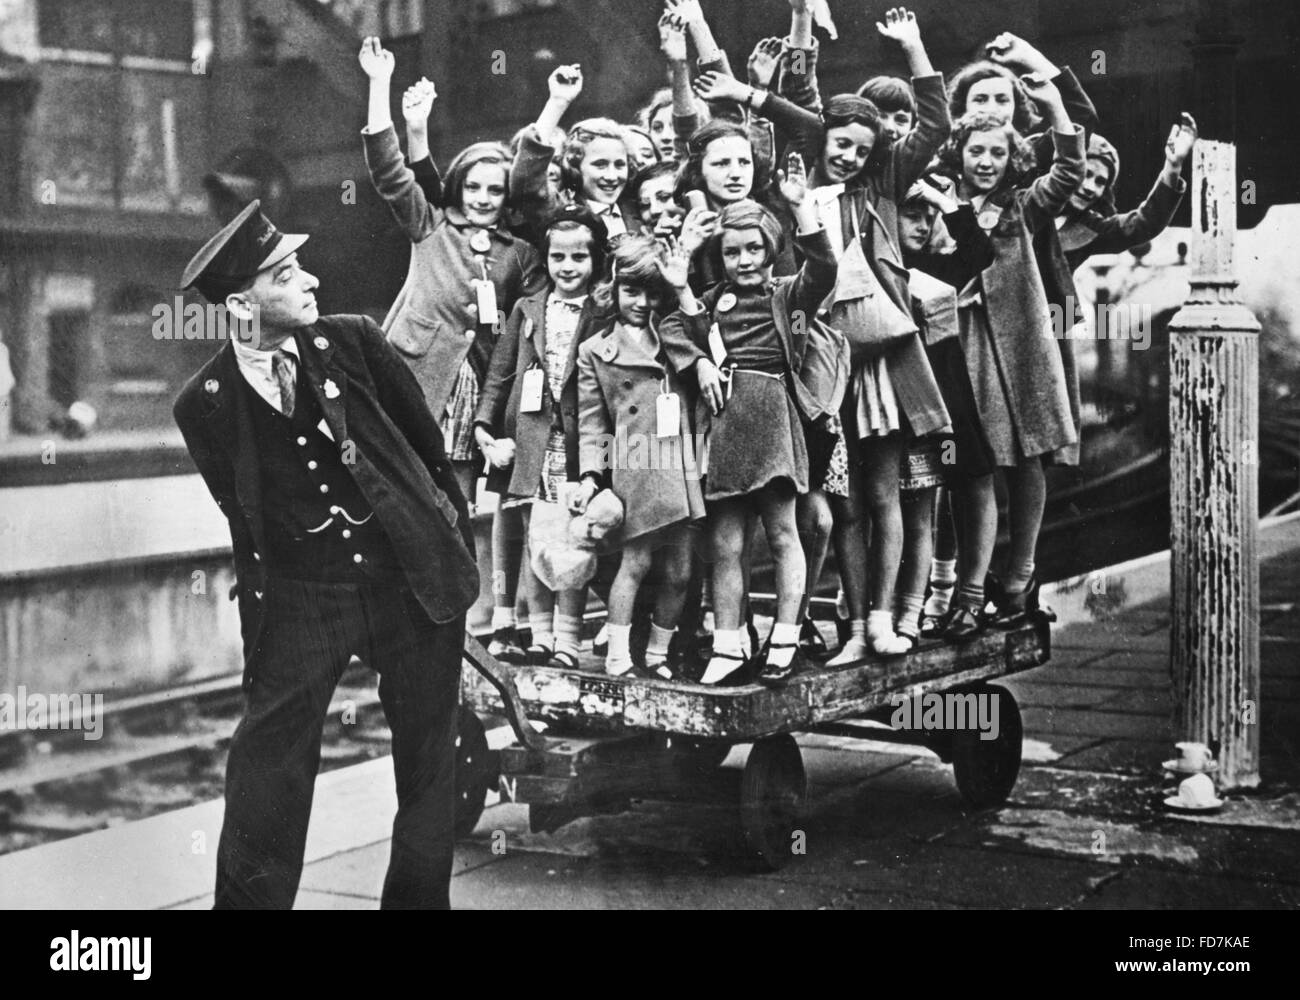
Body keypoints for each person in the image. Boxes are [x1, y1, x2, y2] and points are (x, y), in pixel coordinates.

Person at [173, 201, 478, 909]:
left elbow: (430, 457)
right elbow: (241, 514)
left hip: (408, 577)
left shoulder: (354, 343)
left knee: (429, 766)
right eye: (288, 274)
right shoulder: (205, 403)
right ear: (244, 303)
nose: (311, 281)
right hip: (307, 594)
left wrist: (449, 548)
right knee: (265, 761)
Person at [359, 38, 544, 662]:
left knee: (458, 503)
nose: (484, 196)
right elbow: (389, 173)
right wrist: (380, 89)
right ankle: (395, 609)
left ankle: (453, 621)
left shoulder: (518, 254)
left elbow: (524, 322)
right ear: (458, 185)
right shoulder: (430, 225)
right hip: (416, 377)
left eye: (496, 188)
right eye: (473, 185)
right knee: (398, 491)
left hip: (475, 387)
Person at [659, 155, 838, 688]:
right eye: (732, 251)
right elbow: (676, 325)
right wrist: (700, 361)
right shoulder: (711, 299)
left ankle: (785, 633)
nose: (743, 260)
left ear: (770, 248)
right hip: (723, 426)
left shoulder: (787, 295)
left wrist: (802, 206)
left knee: (784, 533)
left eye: (754, 248)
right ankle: (729, 642)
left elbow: (824, 270)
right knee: (725, 543)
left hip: (772, 422)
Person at [932, 74, 1085, 635]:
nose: (987, 161)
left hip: (1020, 350)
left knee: (1027, 458)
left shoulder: (1023, 206)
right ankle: (963, 590)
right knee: (969, 467)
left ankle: (1018, 576)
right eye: (976, 151)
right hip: (964, 344)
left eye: (999, 152)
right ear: (960, 153)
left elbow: (1068, 170)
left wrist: (1052, 105)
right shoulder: (940, 201)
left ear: (1012, 157)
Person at [476, 206, 609, 669]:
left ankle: (570, 640)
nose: (567, 267)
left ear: (595, 261)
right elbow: (499, 371)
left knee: (572, 538)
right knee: (535, 536)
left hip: (579, 443)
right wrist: (484, 428)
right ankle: (541, 635)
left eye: (579, 258)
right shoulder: (527, 308)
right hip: (532, 441)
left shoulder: (603, 309)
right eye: (557, 257)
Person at [572, 234, 707, 679]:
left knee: (682, 571)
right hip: (636, 464)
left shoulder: (675, 336)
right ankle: (618, 656)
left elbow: (703, 335)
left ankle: (657, 654)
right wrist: (592, 475)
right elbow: (593, 422)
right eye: (632, 290)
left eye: (652, 292)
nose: (642, 302)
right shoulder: (596, 350)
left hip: (682, 461)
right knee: (636, 563)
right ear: (613, 288)